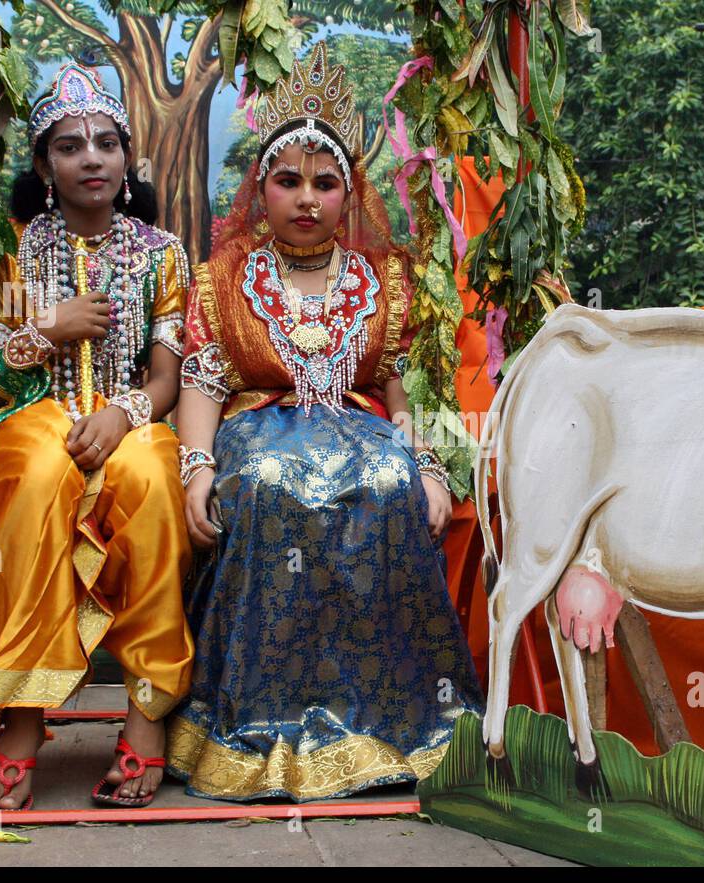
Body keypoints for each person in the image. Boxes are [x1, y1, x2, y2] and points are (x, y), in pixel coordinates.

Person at [167, 41, 483, 802]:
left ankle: (400, 728)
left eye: (324, 182)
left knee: (388, 483)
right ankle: (264, 729)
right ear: (262, 188)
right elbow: (203, 377)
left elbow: (404, 384)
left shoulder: (388, 279)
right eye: (288, 180)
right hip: (257, 432)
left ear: (348, 192)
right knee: (276, 485)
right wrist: (197, 468)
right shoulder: (221, 279)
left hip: (362, 428)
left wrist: (429, 468)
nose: (306, 198)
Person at [0, 64, 193, 811]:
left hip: (130, 416)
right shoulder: (12, 254)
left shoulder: (161, 252)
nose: (90, 157)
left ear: (127, 159)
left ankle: (147, 713)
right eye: (69, 146)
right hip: (37, 415)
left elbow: (166, 378)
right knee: (34, 474)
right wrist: (44, 331)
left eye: (104, 143)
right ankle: (21, 723)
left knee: (154, 480)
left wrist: (125, 413)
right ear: (44, 166)